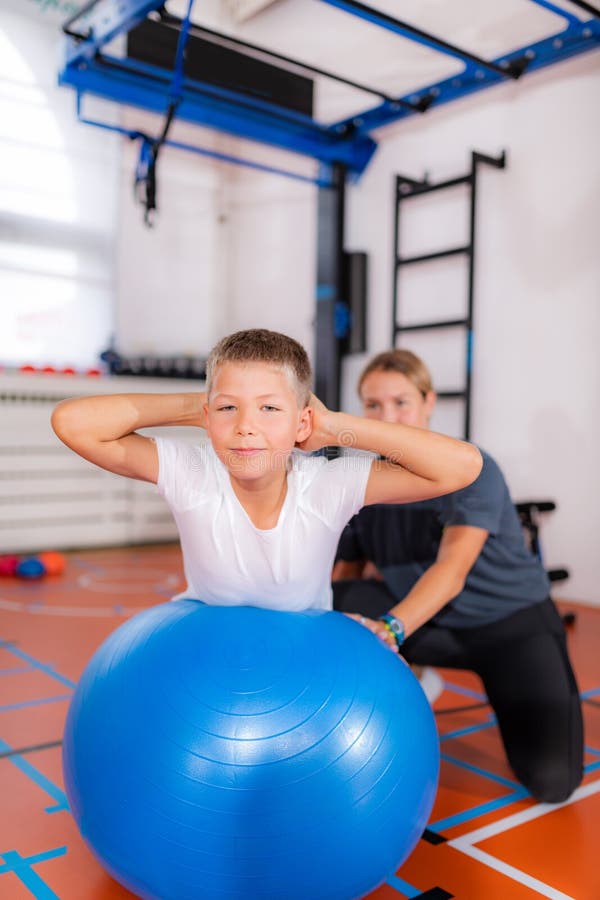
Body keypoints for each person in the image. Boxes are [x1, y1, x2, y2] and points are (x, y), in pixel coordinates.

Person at [51, 329, 481, 655]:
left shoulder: (326, 483)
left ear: (301, 422)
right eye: (227, 409)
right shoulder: (192, 471)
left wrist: (329, 425)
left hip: (299, 649)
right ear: (207, 416)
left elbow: (461, 466)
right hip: (208, 643)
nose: (246, 426)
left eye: (270, 408)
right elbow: (72, 422)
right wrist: (200, 405)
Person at [332, 349, 583, 803]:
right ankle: (415, 676)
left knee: (553, 782)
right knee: (329, 600)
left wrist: (388, 630)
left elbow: (451, 571)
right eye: (373, 405)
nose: (387, 416)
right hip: (430, 626)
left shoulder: (470, 468)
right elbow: (345, 574)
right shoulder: (361, 483)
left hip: (510, 627)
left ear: (429, 402)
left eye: (401, 402)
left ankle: (423, 662)